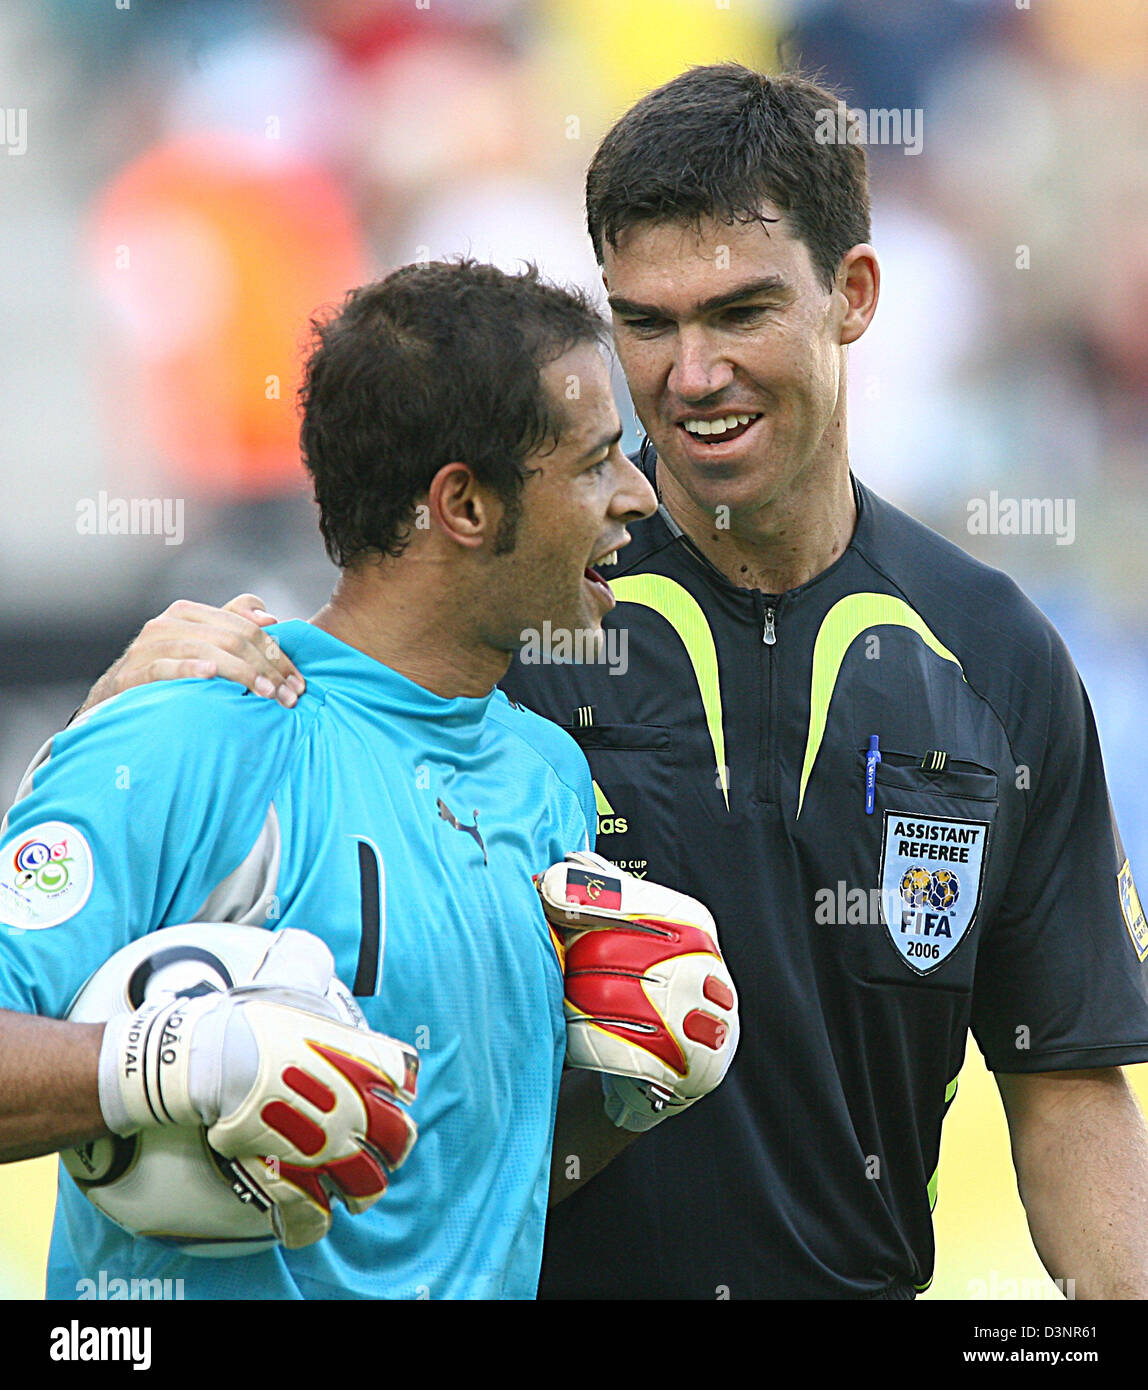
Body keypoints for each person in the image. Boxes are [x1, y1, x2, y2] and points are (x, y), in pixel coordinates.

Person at [72, 66, 1148, 1301]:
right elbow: (267, 765)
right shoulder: (507, 600)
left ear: (850, 296)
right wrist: (142, 701)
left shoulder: (994, 655)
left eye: (739, 312)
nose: (691, 376)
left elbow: (1061, 1074)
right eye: (645, 323)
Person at [0, 259, 738, 1300]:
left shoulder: (547, 776)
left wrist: (630, 1089)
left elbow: (464, 1183)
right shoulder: (192, 734)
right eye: (595, 461)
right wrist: (176, 1058)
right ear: (465, 505)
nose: (636, 496)